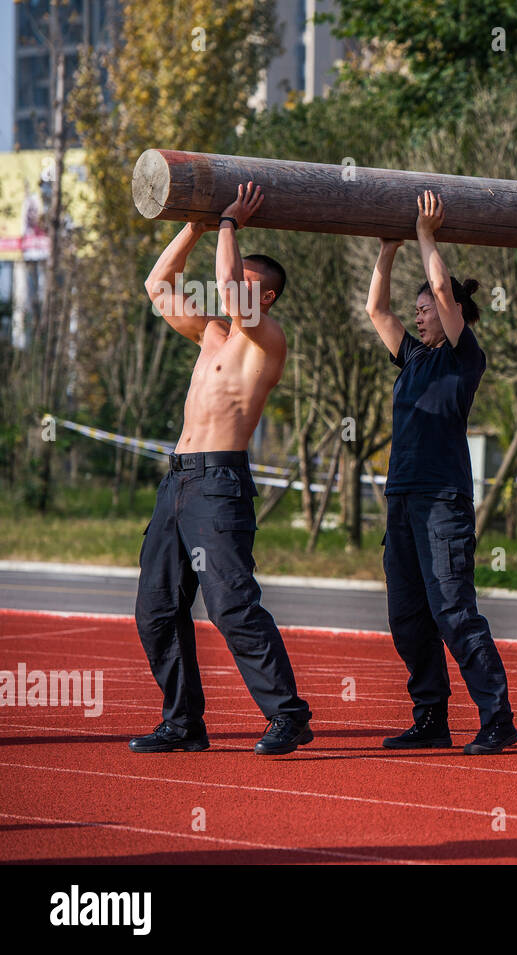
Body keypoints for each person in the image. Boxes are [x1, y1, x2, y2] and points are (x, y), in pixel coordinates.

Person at [132, 182, 313, 755]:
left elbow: (232, 290)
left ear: (270, 298)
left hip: (218, 483)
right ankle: (184, 724)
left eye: (251, 287)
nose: (233, 290)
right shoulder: (212, 336)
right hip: (178, 480)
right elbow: (157, 286)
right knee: (156, 609)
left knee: (232, 604)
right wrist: (194, 226)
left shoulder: (264, 342)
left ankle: (288, 715)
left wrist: (231, 222)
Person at [365, 191, 517, 755]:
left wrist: (428, 236)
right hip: (401, 500)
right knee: (407, 617)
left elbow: (445, 291)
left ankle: (497, 718)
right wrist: (388, 251)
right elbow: (376, 312)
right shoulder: (412, 357)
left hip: (442, 502)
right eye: (420, 304)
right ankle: (431, 717)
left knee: (453, 611)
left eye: (426, 303)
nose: (419, 310)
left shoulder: (462, 355)